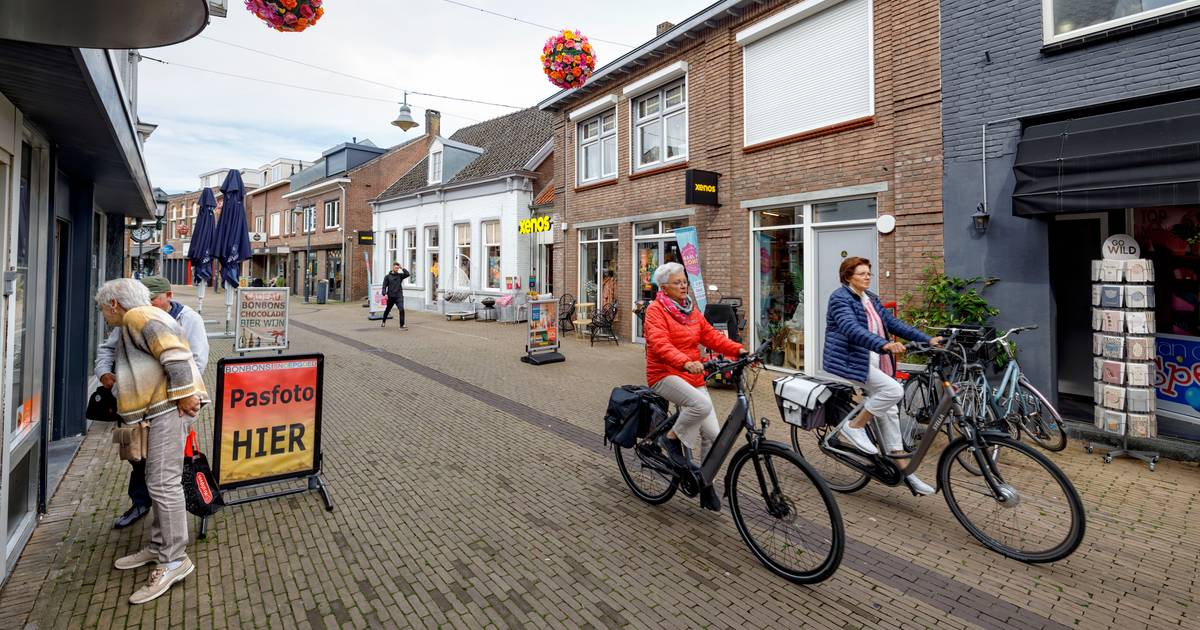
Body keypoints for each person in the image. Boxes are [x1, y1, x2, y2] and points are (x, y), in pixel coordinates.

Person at [95, 278, 207, 605]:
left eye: (103, 308)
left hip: (167, 411)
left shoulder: (139, 317)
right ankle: (159, 547)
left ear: (115, 304)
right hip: (159, 410)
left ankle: (174, 559)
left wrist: (186, 395)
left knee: (163, 482)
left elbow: (175, 354)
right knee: (157, 481)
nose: (103, 315)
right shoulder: (142, 317)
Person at [822, 257, 942, 495]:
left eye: (869, 273)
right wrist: (884, 345)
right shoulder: (840, 298)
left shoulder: (871, 299)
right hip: (850, 361)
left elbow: (894, 324)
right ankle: (854, 427)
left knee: (890, 413)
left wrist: (927, 339)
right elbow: (851, 329)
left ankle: (907, 474)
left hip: (874, 361)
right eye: (862, 274)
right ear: (848, 277)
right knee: (893, 391)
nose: (867, 277)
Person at [643, 262, 745, 512]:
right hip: (664, 374)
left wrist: (739, 350)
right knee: (700, 404)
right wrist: (685, 362)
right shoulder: (655, 311)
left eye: (684, 281)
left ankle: (704, 481)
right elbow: (659, 345)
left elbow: (710, 335)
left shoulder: (690, 310)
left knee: (714, 437)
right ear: (664, 288)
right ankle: (670, 439)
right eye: (678, 283)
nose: (683, 286)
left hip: (691, 375)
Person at [381, 262, 411, 329]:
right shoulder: (387, 277)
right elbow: (384, 286)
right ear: (393, 267)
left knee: (401, 309)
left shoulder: (400, 276)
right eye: (396, 268)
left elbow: (407, 274)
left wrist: (402, 268)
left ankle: (402, 325)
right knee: (387, 310)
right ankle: (383, 321)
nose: (397, 269)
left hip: (399, 296)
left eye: (398, 268)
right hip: (391, 296)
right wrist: (384, 294)